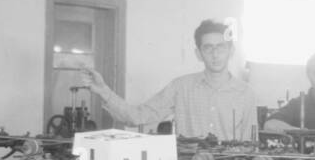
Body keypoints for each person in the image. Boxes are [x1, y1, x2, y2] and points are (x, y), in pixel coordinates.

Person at [83, 20, 258, 141]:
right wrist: (103, 91)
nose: (215, 54)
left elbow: (250, 146)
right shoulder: (181, 87)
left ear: (231, 51)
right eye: (208, 48)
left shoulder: (245, 93)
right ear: (198, 53)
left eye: (221, 47)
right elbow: (137, 116)